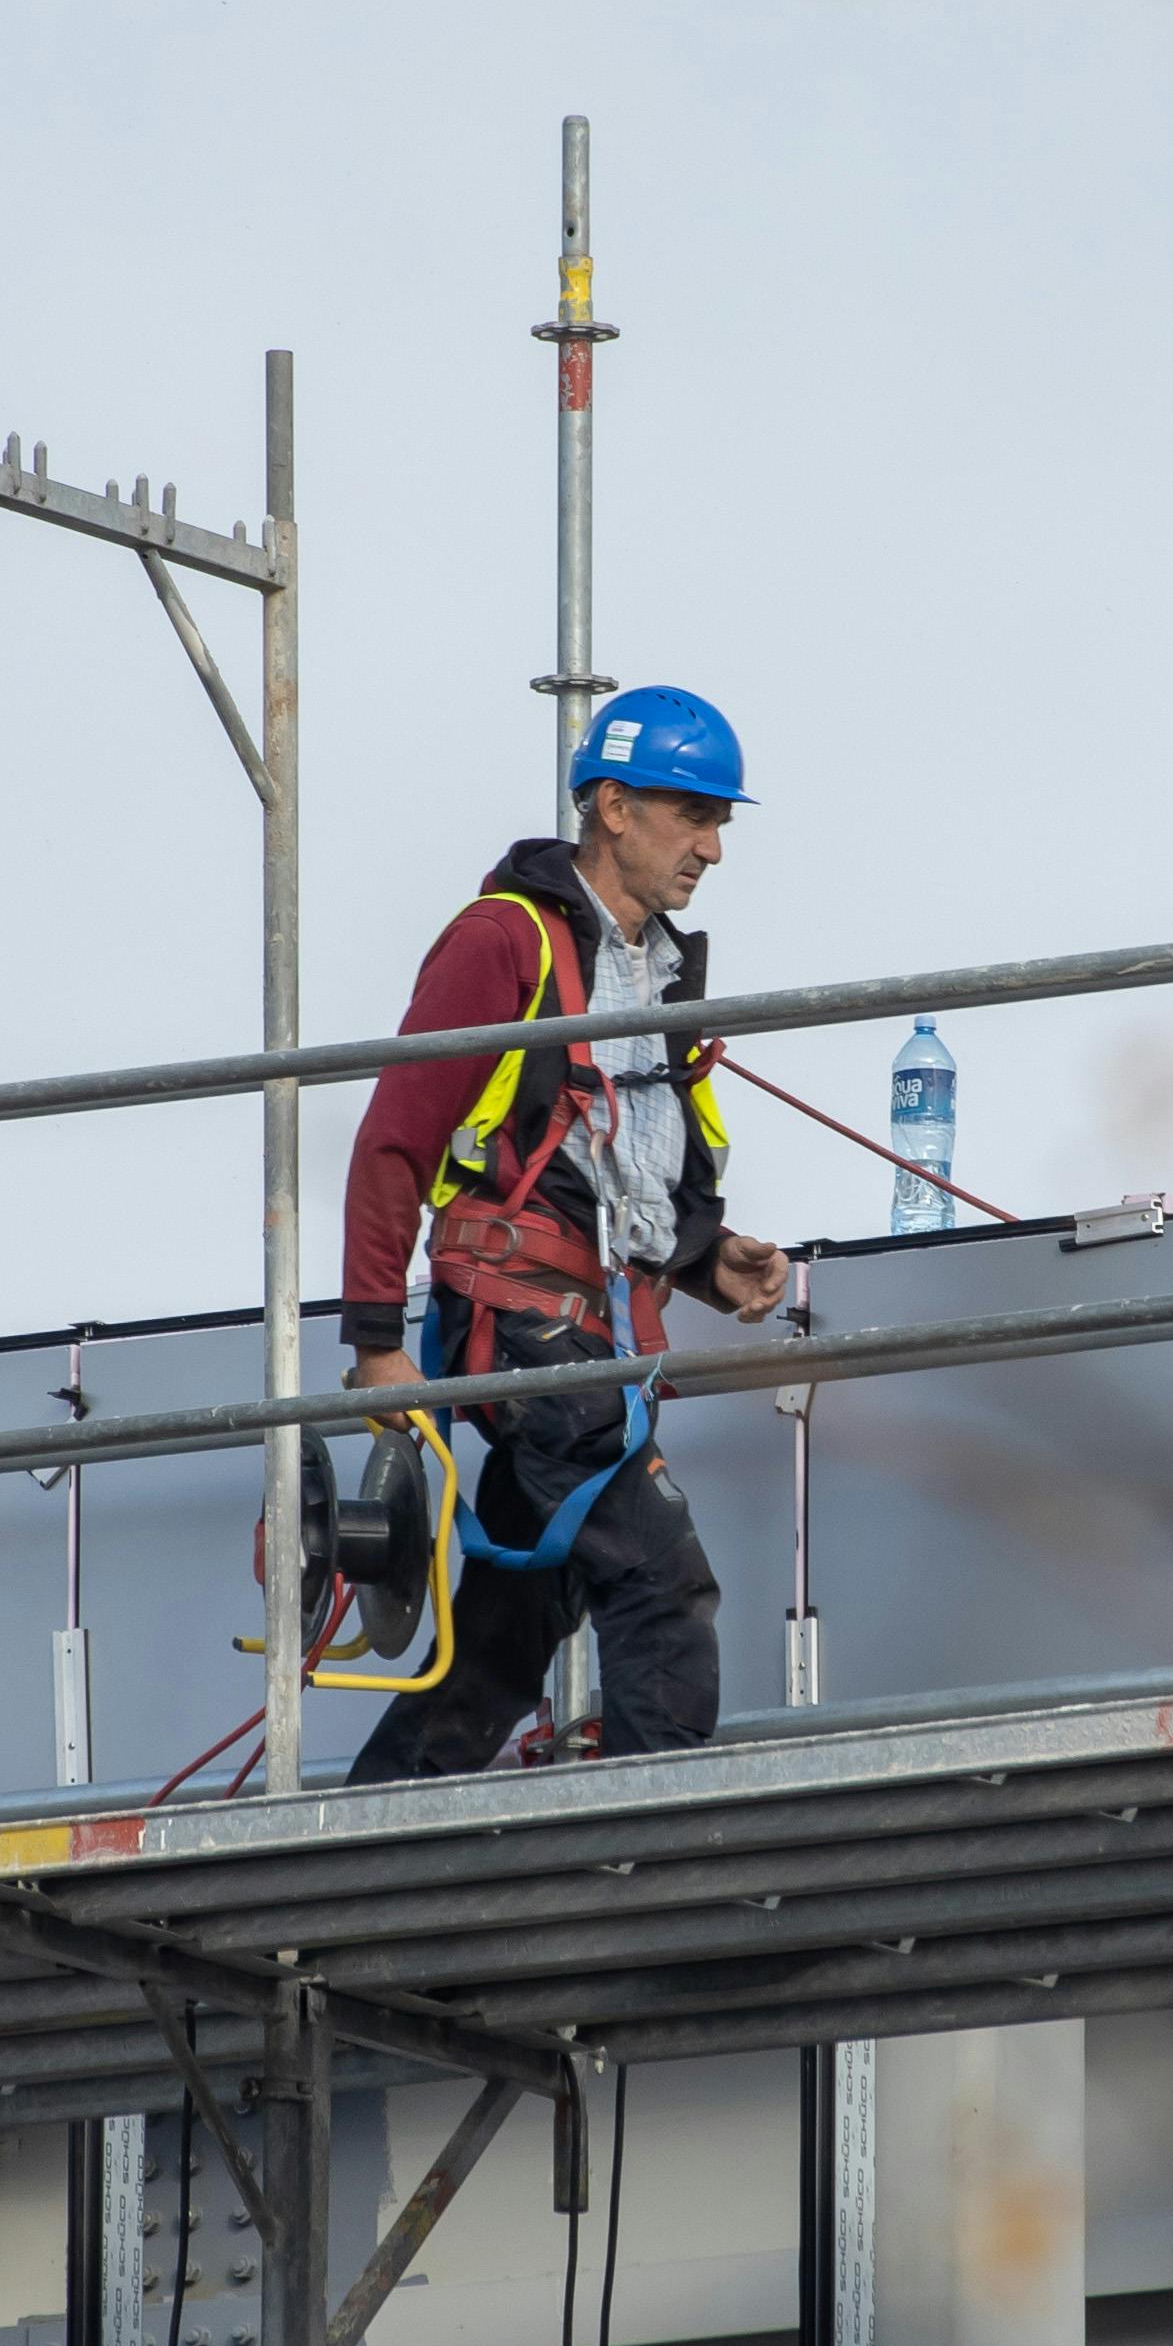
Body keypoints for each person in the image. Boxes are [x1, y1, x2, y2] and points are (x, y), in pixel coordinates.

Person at [337, 686, 789, 1778]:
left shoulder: (661, 969)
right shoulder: (505, 942)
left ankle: (375, 1835)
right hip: (526, 1327)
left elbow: (617, 1166)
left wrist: (703, 1259)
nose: (713, 847)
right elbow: (394, 1138)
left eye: (721, 819)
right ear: (614, 805)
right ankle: (654, 1864)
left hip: (597, 1332)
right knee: (660, 1586)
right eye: (693, 814)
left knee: (507, 1625)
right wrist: (375, 1344)